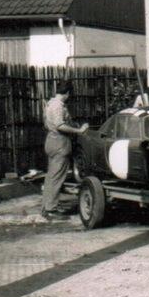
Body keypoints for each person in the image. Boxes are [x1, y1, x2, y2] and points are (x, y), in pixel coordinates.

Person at [41, 80, 88, 220]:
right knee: (57, 177)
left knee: (51, 175)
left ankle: (47, 206)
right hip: (59, 142)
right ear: (67, 93)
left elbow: (47, 123)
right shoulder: (58, 106)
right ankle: (51, 209)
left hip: (51, 140)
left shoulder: (50, 103)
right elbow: (60, 125)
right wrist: (79, 131)